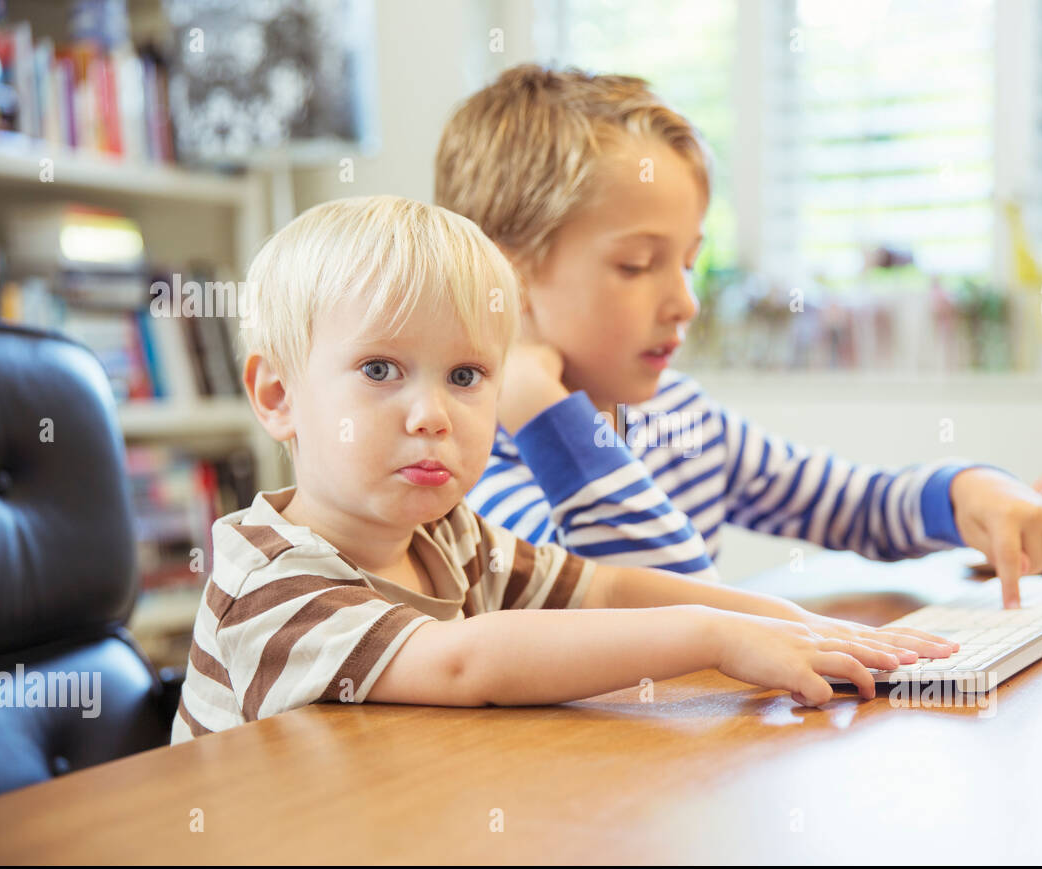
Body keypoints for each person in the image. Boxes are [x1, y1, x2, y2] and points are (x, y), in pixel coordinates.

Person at [171, 196, 958, 743]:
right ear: (278, 397)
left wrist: (777, 622)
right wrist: (714, 635)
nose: (432, 414)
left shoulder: (446, 533)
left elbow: (603, 585)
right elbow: (463, 662)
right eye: (380, 370)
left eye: (467, 376)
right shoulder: (268, 580)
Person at [436, 65, 1042, 608]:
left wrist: (965, 492)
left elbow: (851, 504)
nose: (685, 302)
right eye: (636, 265)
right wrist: (538, 407)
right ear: (506, 276)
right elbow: (657, 599)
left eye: (688, 263)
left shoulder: (682, 419)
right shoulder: (459, 464)